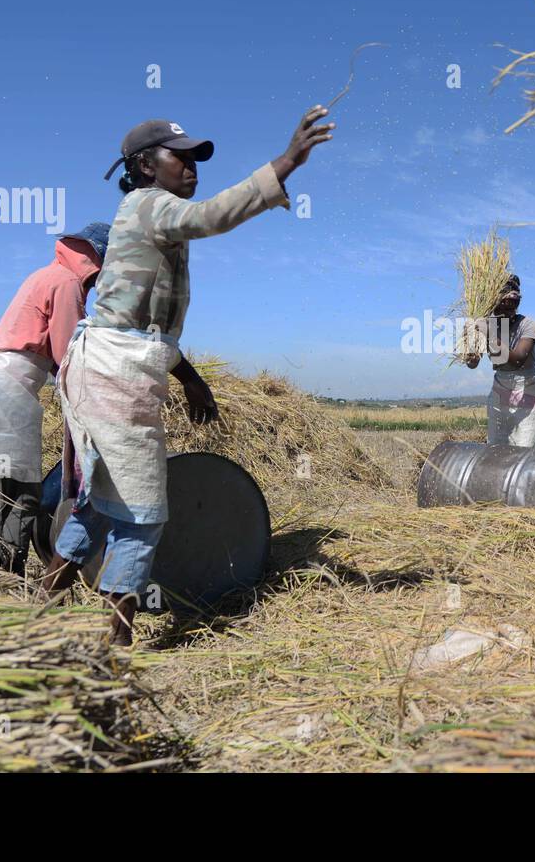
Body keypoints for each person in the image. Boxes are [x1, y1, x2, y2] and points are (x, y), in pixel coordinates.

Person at [39, 108, 333, 646]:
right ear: (146, 165)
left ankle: (46, 603)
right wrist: (286, 163)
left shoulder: (149, 212)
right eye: (183, 156)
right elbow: (212, 215)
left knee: (98, 500)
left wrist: (190, 379)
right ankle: (118, 642)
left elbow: (152, 332)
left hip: (111, 369)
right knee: (143, 511)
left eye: (198, 157)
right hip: (114, 373)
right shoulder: (152, 205)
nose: (194, 166)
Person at [0, 222, 111, 575]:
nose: (97, 284)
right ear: (96, 260)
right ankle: (5, 575)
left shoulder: (48, 274)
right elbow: (67, 355)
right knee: (19, 490)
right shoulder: (67, 283)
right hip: (5, 393)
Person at [462, 274, 535, 446]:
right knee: (496, 448)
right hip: (500, 389)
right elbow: (473, 364)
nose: (508, 310)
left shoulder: (528, 324)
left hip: (527, 390)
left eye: (512, 305)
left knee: (523, 450)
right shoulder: (487, 324)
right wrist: (470, 348)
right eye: (504, 305)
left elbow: (517, 360)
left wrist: (489, 334)